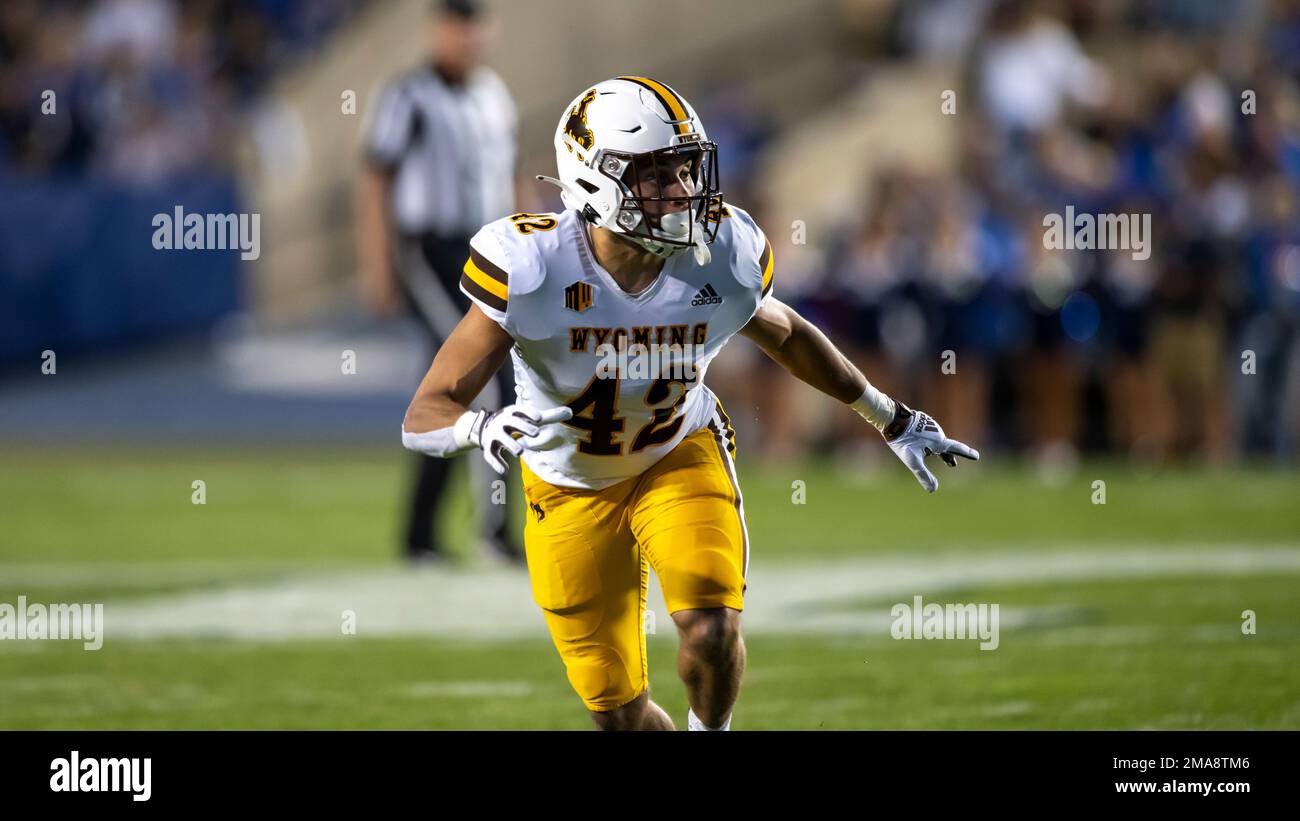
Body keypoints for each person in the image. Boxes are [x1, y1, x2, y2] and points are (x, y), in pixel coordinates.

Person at [401, 77, 978, 730]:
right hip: (566, 485)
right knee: (620, 716)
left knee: (710, 626)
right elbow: (424, 412)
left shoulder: (720, 250)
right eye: (655, 175)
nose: (681, 190)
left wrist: (888, 416)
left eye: (684, 168)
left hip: (676, 450)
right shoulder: (532, 266)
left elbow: (786, 334)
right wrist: (479, 428)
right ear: (592, 179)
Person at [356, 0, 521, 562]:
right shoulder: (408, 95)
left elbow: (512, 174)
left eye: (473, 26)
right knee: (483, 373)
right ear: (437, 30)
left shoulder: (494, 93)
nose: (465, 37)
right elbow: (375, 179)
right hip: (431, 249)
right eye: (455, 26)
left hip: (490, 248)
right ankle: (493, 532)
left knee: (451, 384)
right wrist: (378, 265)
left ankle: (420, 535)